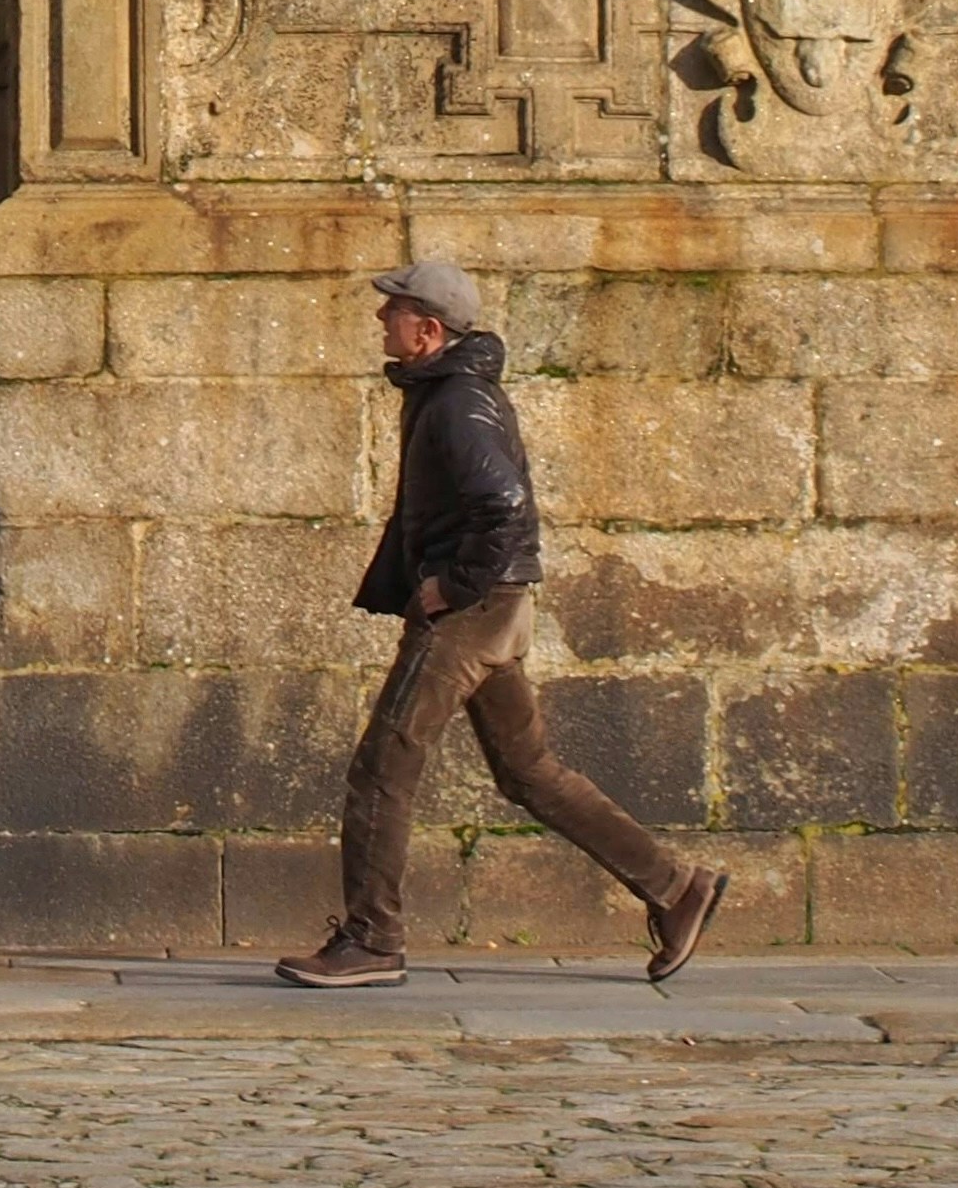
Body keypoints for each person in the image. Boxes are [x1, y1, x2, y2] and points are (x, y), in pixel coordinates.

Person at [277, 260, 730, 990]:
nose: (378, 320)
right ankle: (678, 888)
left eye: (391, 310)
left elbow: (505, 504)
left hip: (472, 612)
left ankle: (372, 939)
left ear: (427, 328)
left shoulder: (459, 401)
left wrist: (452, 586)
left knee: (383, 766)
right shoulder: (448, 391)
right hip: (495, 606)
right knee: (529, 772)